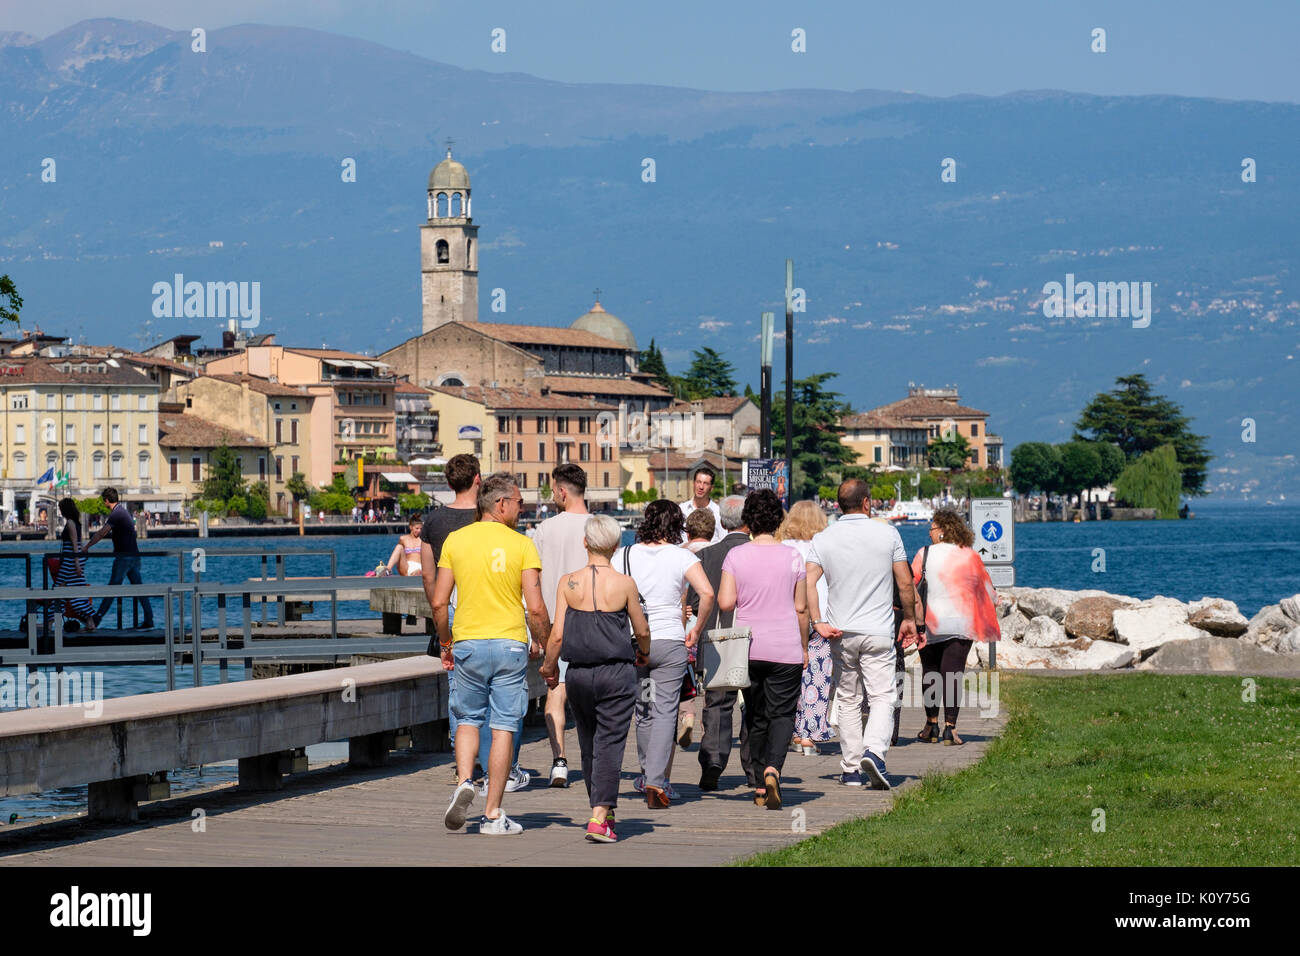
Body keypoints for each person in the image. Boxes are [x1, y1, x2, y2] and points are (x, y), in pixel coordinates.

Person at [434, 473, 550, 836]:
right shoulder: (522, 545)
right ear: (501, 504)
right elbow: (536, 608)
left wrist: (446, 642)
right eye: (518, 502)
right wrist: (543, 644)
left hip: (467, 642)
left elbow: (439, 601)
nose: (522, 508)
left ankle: (465, 779)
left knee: (467, 718)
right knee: (503, 727)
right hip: (509, 645)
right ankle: (493, 813)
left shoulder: (454, 541)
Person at [806, 479, 922, 789]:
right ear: (867, 503)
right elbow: (905, 582)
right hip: (879, 631)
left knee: (848, 698)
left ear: (838, 505)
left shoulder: (823, 538)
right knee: (883, 695)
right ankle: (875, 752)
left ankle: (851, 769)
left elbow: (808, 581)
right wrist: (909, 618)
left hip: (840, 631)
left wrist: (817, 620)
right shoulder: (888, 534)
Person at [541, 515, 651, 844]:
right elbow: (642, 629)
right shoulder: (625, 584)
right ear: (616, 546)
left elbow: (557, 634)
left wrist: (549, 667)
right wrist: (643, 652)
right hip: (616, 672)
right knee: (610, 744)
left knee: (588, 744)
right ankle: (600, 816)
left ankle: (600, 809)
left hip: (577, 673)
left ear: (585, 542)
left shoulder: (567, 582)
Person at [420, 455, 526, 789]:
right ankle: (503, 773)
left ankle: (465, 771)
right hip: (505, 624)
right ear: (479, 480)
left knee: (463, 703)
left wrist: (443, 632)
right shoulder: (503, 525)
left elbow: (428, 577)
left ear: (450, 482)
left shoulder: (435, 523)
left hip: (457, 613)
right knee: (504, 710)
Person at [615, 499, 713, 807]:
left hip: (635, 643)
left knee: (643, 709)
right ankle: (657, 782)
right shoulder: (680, 556)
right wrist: (695, 630)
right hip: (669, 644)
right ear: (675, 525)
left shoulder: (623, 555)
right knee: (665, 712)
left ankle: (647, 774)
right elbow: (707, 593)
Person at [717, 490, 807, 809]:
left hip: (749, 648)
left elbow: (726, 602)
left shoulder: (736, 556)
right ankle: (773, 769)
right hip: (785, 647)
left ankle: (757, 784)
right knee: (782, 713)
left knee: (755, 714)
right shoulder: (794, 556)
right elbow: (800, 607)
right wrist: (805, 647)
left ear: (748, 520)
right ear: (778, 518)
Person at [913, 508, 999, 746]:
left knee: (930, 673)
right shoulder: (970, 555)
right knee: (952, 675)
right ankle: (950, 729)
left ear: (941, 530)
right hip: (961, 624)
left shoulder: (925, 554)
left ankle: (931, 725)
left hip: (929, 624)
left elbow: (910, 585)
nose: (929, 533)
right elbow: (989, 592)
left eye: (931, 528)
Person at [532, 463, 591, 788]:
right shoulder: (601, 526)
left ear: (563, 491)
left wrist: (537, 634)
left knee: (555, 692)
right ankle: (592, 756)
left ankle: (559, 762)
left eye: (554, 490)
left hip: (557, 625)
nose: (554, 495)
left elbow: (535, 583)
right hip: (594, 624)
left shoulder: (545, 530)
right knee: (591, 698)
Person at [690, 495, 752, 791]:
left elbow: (694, 600)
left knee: (717, 703)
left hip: (718, 636)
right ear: (747, 520)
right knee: (754, 704)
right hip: (754, 635)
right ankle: (754, 768)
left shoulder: (706, 556)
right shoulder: (756, 552)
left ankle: (713, 757)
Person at [777, 500, 832, 755]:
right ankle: (809, 734)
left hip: (788, 617)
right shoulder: (824, 547)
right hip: (820, 616)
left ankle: (790, 732)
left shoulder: (783, 548)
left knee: (790, 678)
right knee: (817, 679)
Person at [83, 487, 155, 630]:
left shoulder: (116, 514)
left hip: (124, 557)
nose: (104, 504)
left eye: (104, 501)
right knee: (140, 589)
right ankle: (149, 619)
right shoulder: (123, 512)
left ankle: (96, 620)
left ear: (107, 500)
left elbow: (102, 533)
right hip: (134, 555)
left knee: (112, 589)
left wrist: (87, 546)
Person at [674, 507, 716, 749]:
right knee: (710, 679)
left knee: (684, 677)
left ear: (688, 532)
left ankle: (687, 715)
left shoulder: (679, 554)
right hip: (708, 623)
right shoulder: (718, 553)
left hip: (683, 625)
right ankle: (706, 728)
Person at [53, 498, 96, 631]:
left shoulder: (70, 523)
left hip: (71, 561)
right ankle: (90, 623)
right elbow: (79, 543)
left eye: (61, 508)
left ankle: (91, 621)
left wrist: (77, 563)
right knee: (72, 591)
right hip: (72, 560)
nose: (60, 511)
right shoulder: (75, 522)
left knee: (57, 590)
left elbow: (74, 544)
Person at [679, 465, 723, 544]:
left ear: (712, 488)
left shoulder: (718, 512)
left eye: (706, 483)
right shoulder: (681, 510)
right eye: (698, 482)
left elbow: (722, 540)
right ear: (694, 483)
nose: (701, 487)